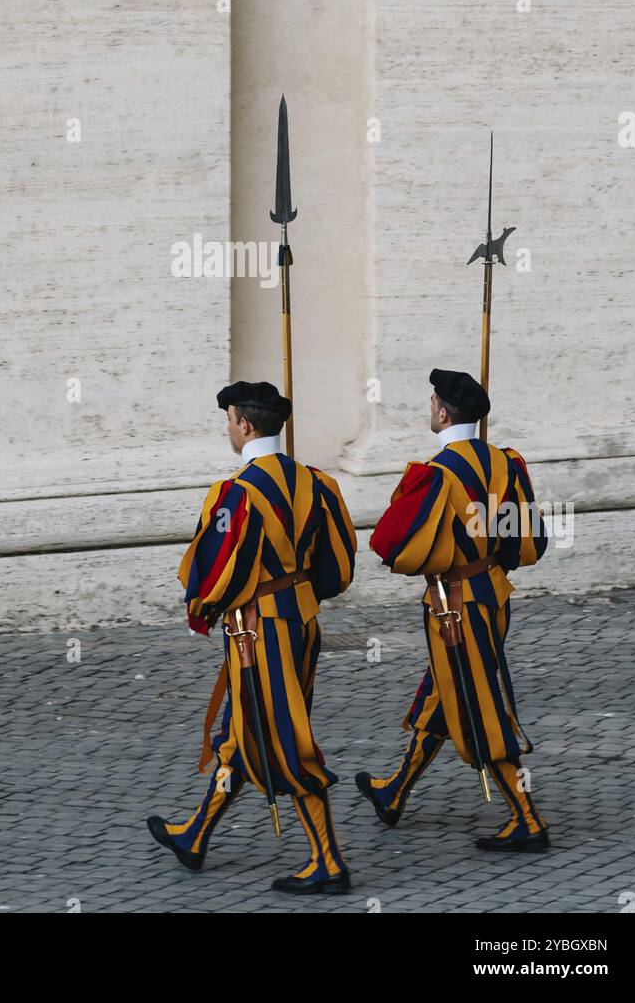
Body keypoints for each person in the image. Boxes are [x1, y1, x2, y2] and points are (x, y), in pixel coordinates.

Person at [147, 380, 359, 893]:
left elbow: (216, 566)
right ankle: (196, 834)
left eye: (229, 420)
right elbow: (339, 566)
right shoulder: (317, 483)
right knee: (247, 731)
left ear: (243, 424)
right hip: (303, 621)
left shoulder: (234, 492)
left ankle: (328, 863)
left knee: (286, 737)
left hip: (257, 630)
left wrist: (201, 607)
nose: (228, 428)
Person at [355, 368, 550, 852]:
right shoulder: (506, 464)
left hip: (454, 606)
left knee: (479, 703)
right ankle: (396, 791)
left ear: (442, 412)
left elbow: (391, 544)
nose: (429, 408)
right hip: (493, 594)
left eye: (431, 403)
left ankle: (526, 818)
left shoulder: (437, 474)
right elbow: (529, 541)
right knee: (443, 694)